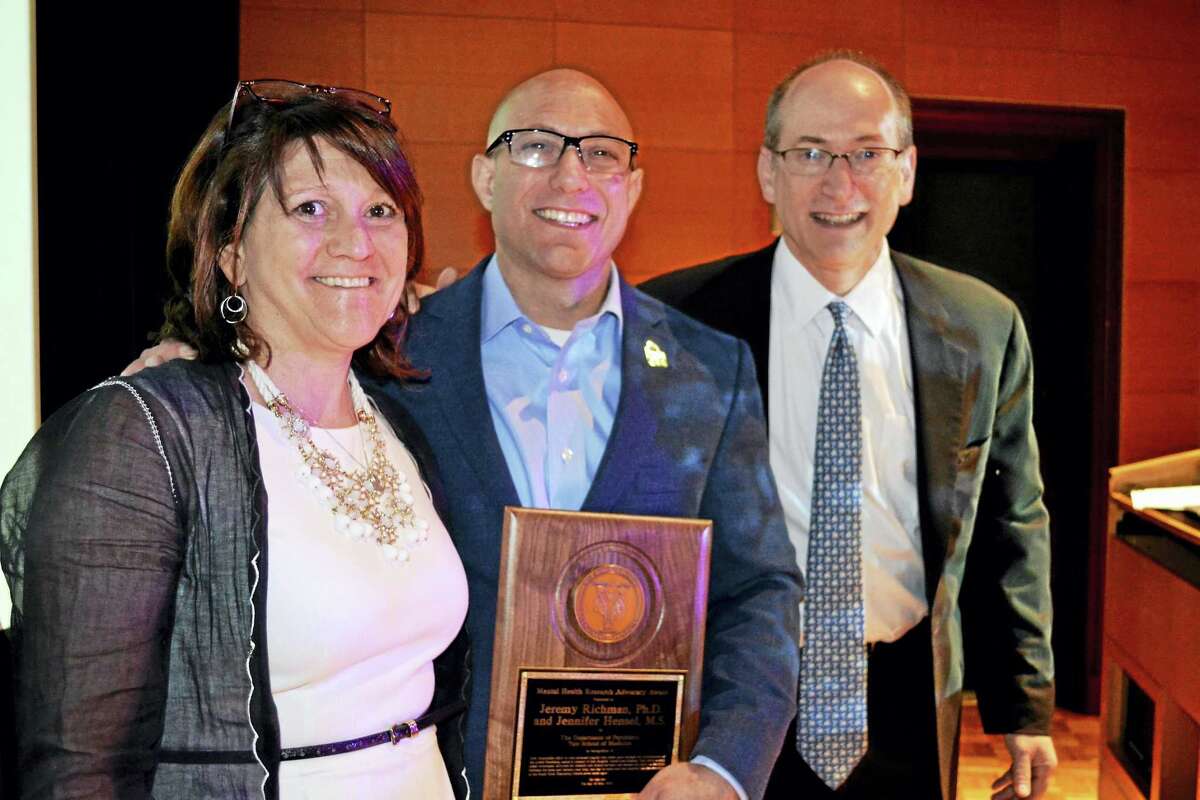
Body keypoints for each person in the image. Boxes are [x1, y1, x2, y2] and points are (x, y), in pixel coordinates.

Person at [120, 69, 802, 799]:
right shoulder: (381, 350)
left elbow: (760, 590)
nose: (571, 175)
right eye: (536, 145)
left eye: (601, 153)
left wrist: (724, 769)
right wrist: (206, 363)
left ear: (633, 188)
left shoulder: (711, 371)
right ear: (484, 177)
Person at [0, 80, 470, 799]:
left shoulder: (398, 426)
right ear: (230, 254)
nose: (357, 243)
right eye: (311, 208)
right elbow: (78, 761)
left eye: (381, 211)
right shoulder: (147, 434)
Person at [642, 52, 1057, 800]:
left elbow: (1011, 520)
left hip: (910, 697)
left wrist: (1023, 704)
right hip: (734, 697)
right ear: (768, 172)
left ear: (907, 171)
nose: (840, 184)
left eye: (867, 154)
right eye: (810, 154)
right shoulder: (675, 322)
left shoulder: (983, 327)